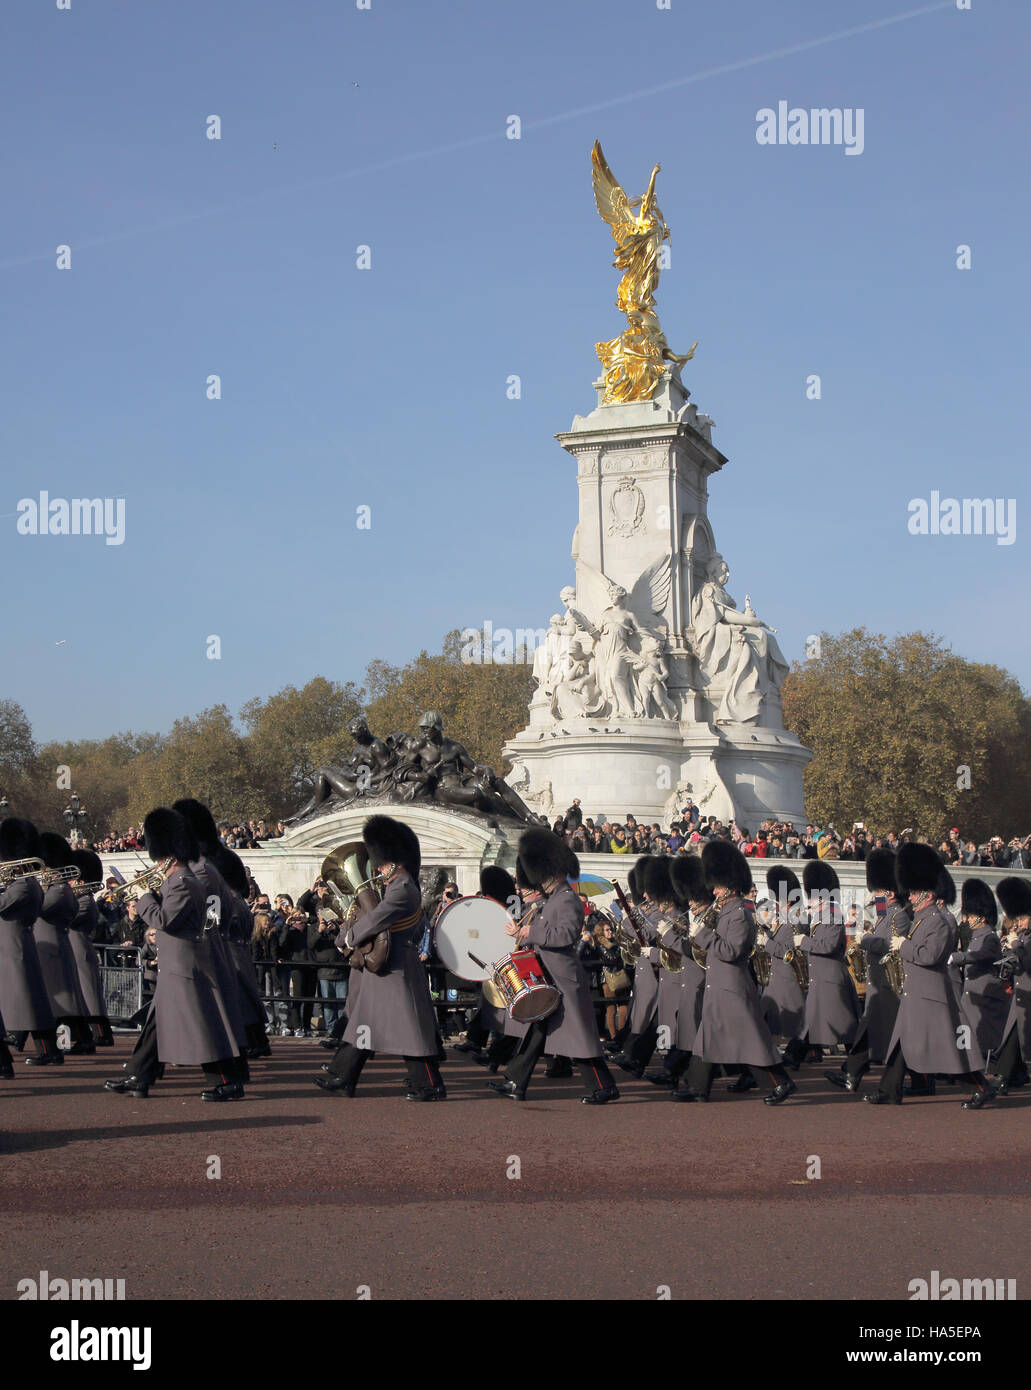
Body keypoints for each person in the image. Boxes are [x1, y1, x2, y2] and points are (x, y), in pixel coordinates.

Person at [106, 808, 245, 1101]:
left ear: (168, 854)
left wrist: (143, 896)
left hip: (184, 965)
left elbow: (166, 920)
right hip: (178, 963)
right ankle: (139, 1075)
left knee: (202, 1024)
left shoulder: (184, 881)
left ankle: (228, 1080)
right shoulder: (183, 879)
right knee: (158, 1022)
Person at [315, 816, 444, 1101]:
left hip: (396, 967)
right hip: (386, 966)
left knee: (410, 1029)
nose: (379, 869)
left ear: (396, 862)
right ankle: (343, 1076)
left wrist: (347, 938)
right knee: (365, 1022)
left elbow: (375, 919)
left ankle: (430, 1084)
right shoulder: (398, 886)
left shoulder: (402, 889)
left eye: (383, 864)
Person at [488, 828, 619, 1104]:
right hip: (546, 977)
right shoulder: (551, 901)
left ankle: (604, 1086)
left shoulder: (567, 899)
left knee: (579, 1038)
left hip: (562, 978)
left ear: (555, 872)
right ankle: (515, 1081)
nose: (541, 881)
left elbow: (565, 935)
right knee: (535, 1030)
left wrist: (528, 933)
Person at [866, 843, 993, 1108]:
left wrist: (903, 946)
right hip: (916, 992)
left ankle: (981, 1087)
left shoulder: (938, 921)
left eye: (913, 893)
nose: (909, 897)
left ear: (927, 894)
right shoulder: (921, 919)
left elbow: (929, 955)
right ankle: (889, 1090)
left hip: (931, 996)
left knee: (951, 1047)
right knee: (899, 1044)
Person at [678, 841, 796, 1104]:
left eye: (718, 886)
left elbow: (730, 951)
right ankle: (698, 1087)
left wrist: (703, 935)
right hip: (719, 985)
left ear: (729, 887)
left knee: (750, 1039)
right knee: (706, 1036)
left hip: (731, 987)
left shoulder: (740, 915)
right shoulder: (725, 913)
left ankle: (781, 1082)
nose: (714, 890)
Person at [826, 848, 906, 1094]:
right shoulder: (885, 916)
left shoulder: (899, 916)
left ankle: (853, 1074)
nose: (875, 896)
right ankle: (851, 1074)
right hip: (877, 985)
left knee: (892, 1036)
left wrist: (866, 940)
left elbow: (892, 946)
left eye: (878, 892)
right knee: (868, 1032)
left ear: (889, 893)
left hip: (888, 986)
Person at [781, 860, 859, 1070]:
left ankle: (859, 1061)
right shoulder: (819, 915)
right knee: (809, 1022)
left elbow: (829, 945)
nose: (811, 900)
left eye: (814, 896)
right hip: (821, 978)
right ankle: (793, 1057)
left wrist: (803, 942)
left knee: (846, 1026)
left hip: (831, 978)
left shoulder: (833, 913)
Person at [0, 818, 61, 1068]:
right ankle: (45, 1051)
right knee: (29, 1004)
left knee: (30, 1005)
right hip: (13, 946)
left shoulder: (23, 886)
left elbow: (2, 906)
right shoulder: (22, 884)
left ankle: (46, 1052)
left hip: (15, 949)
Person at [34, 833, 93, 1054]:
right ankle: (84, 1039)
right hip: (54, 948)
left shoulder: (58, 891)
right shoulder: (59, 889)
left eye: (44, 869)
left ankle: (63, 1044)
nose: (42, 873)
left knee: (62, 1004)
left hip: (53, 950)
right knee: (63, 1002)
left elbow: (38, 908)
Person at [952, 878, 1007, 1064]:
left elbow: (982, 955)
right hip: (972, 992)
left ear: (982, 918)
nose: (969, 920)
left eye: (973, 916)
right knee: (967, 1032)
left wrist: (958, 958)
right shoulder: (976, 936)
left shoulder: (990, 937)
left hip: (984, 993)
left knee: (986, 1035)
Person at [987, 876, 1031, 1098]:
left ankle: (1004, 1077)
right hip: (1021, 995)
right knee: (1012, 1036)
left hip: (1028, 995)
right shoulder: (1023, 935)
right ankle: (1009, 1076)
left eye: (1023, 918)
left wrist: (1014, 944)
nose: (1020, 922)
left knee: (1015, 1036)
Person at [67, 849, 114, 1047]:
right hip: (72, 948)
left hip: (80, 949)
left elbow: (67, 916)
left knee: (90, 994)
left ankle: (102, 1033)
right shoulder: (79, 899)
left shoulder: (85, 901)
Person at [760, 865, 806, 1041]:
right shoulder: (786, 920)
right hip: (777, 981)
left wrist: (767, 943)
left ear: (787, 902)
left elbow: (789, 952)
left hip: (787, 981)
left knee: (789, 1029)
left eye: (778, 902)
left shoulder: (795, 921)